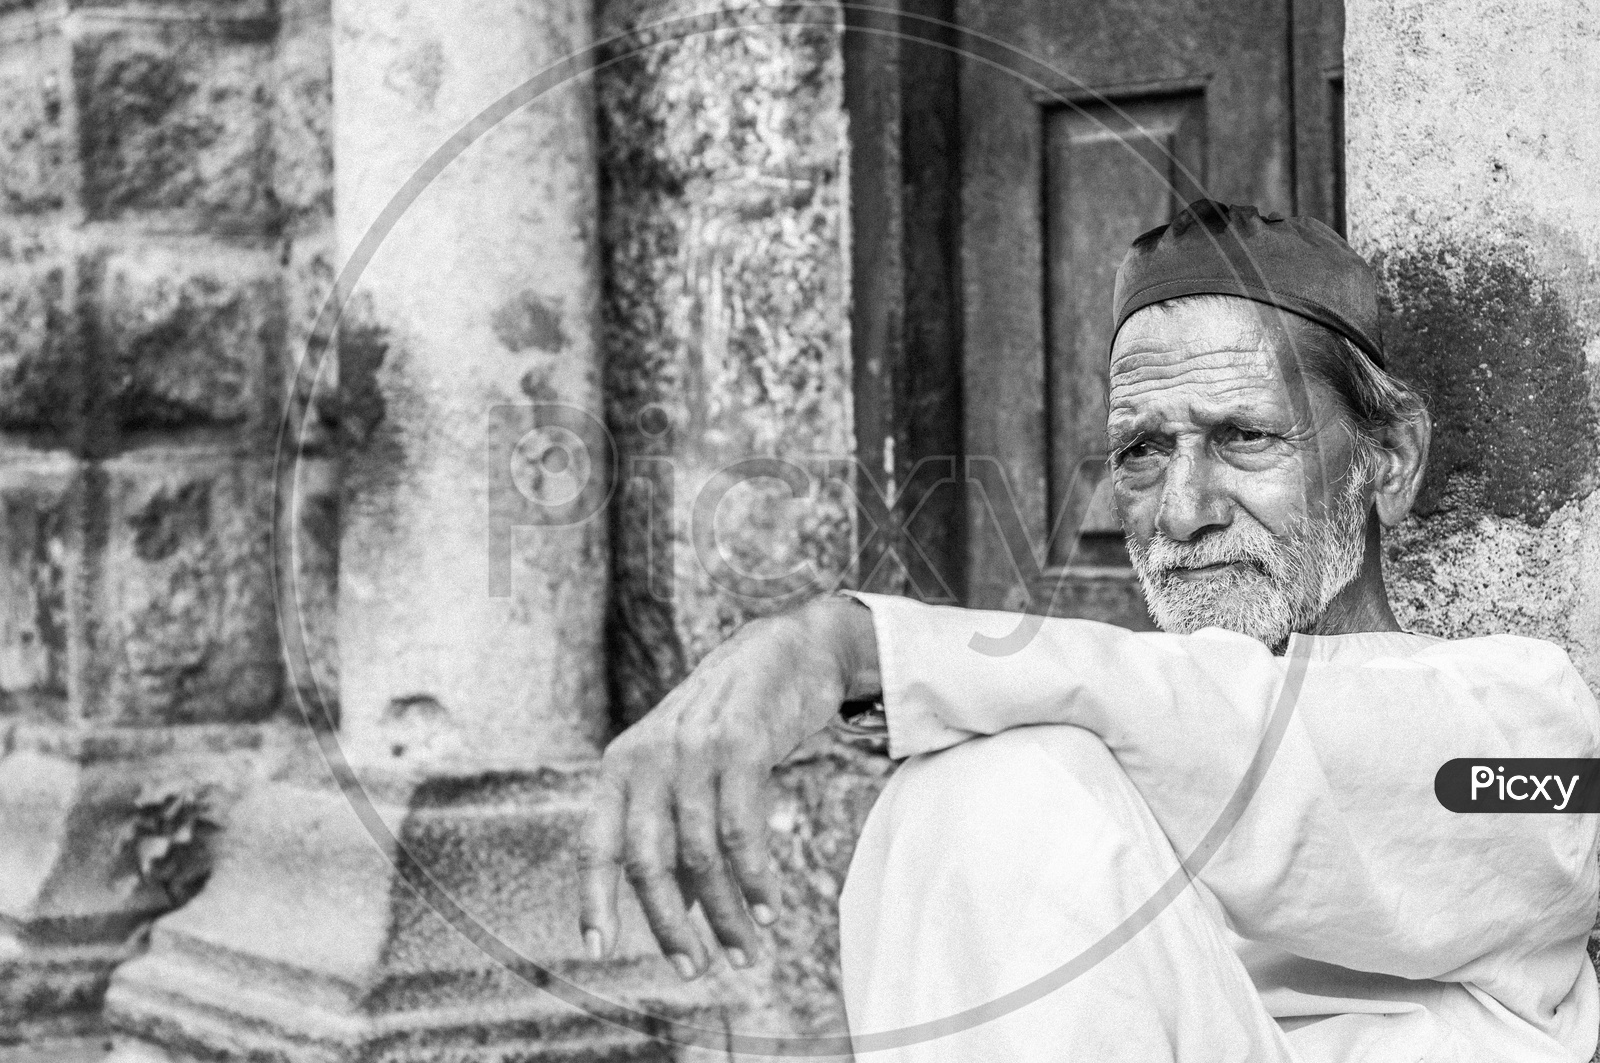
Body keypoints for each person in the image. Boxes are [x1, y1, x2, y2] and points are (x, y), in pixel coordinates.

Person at [576, 201, 1600, 1061]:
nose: (1183, 509)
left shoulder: (1534, 737)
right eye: (1143, 451)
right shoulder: (1095, 779)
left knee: (1003, 787)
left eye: (1244, 437)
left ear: (1390, 457)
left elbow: (1263, 738)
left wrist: (851, 646)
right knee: (977, 783)